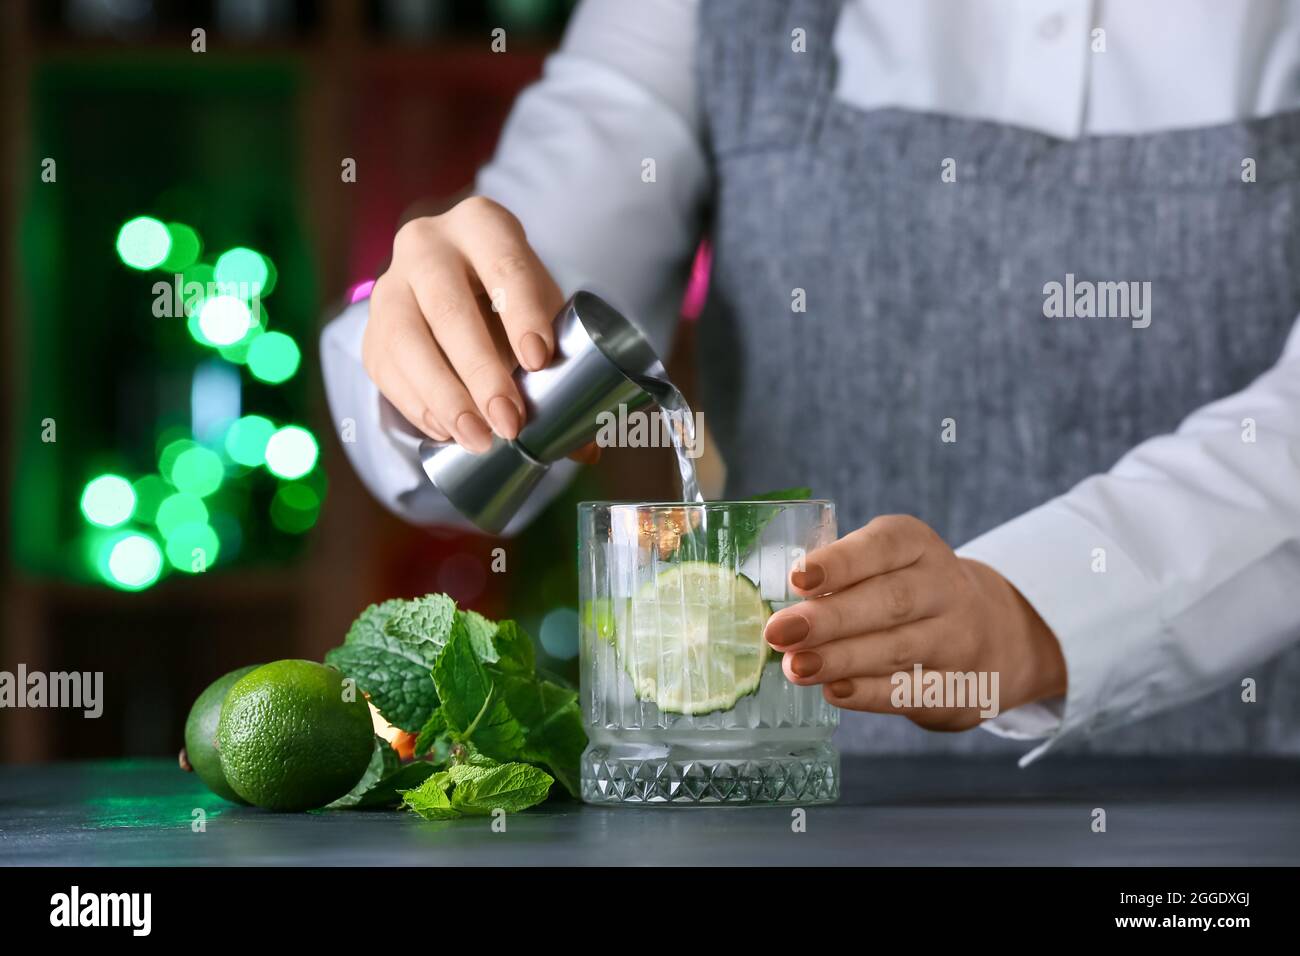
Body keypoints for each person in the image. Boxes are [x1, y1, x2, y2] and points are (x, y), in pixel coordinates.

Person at [322, 0, 1300, 764]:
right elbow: (550, 254)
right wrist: (454, 337)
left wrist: (1035, 603)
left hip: (1252, 793)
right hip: (803, 797)